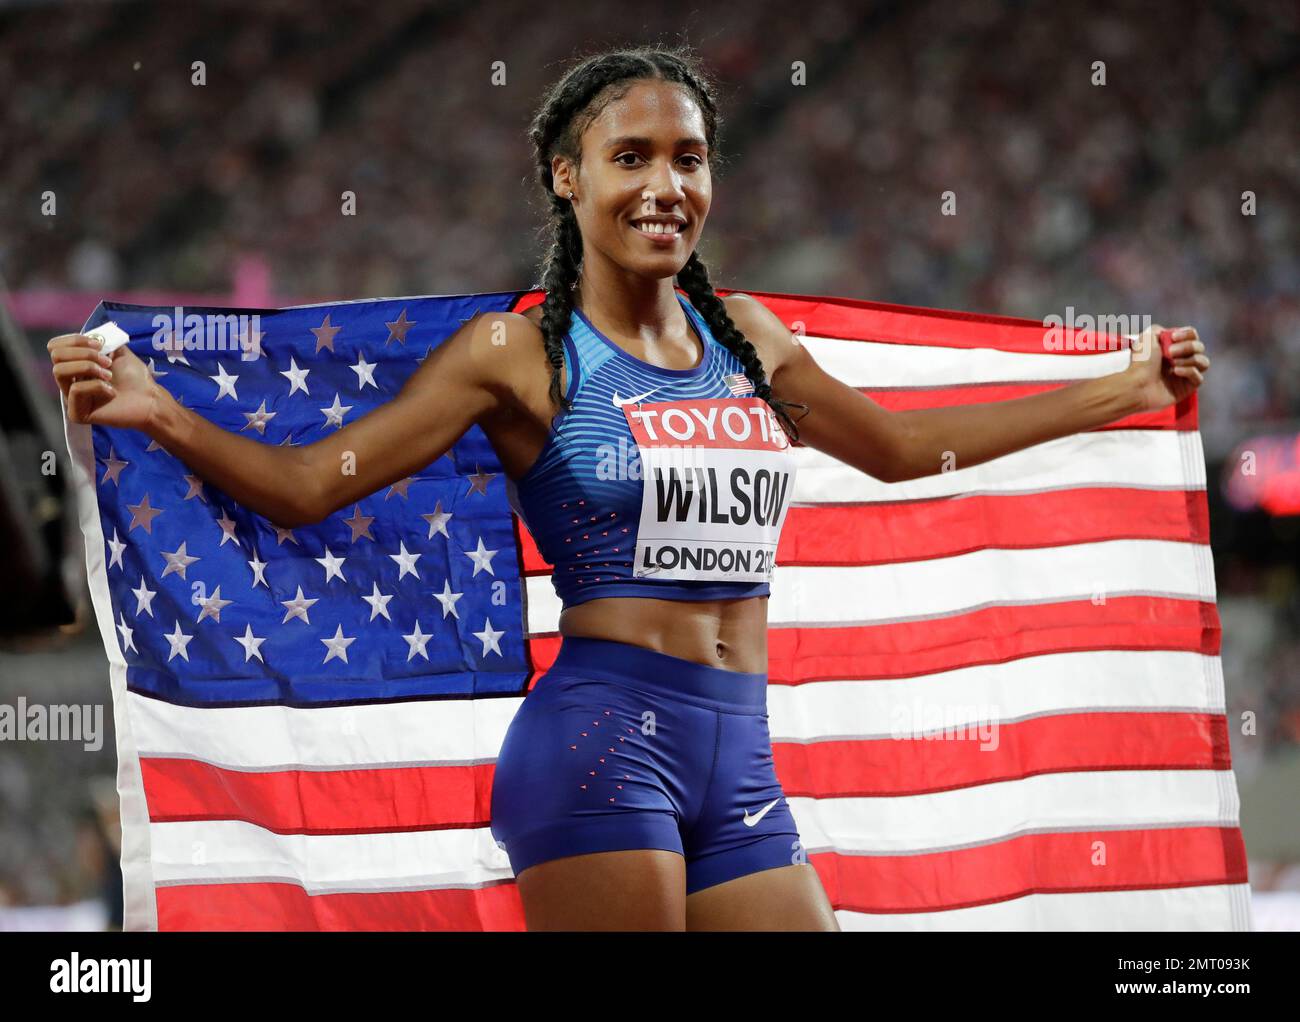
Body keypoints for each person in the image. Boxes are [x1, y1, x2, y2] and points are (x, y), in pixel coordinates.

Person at [47, 45, 1210, 932]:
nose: (665, 184)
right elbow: (311, 484)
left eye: (688, 157)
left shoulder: (745, 335)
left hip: (738, 754)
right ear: (568, 178)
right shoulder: (520, 356)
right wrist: (159, 410)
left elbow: (905, 451)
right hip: (600, 741)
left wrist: (1122, 388)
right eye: (631, 156)